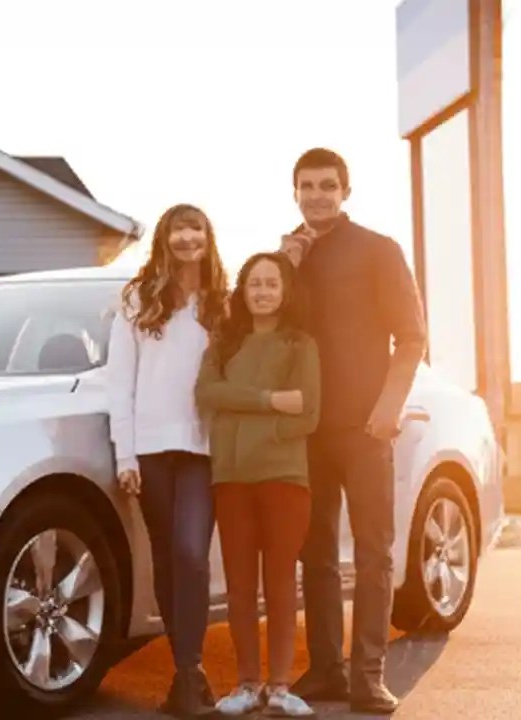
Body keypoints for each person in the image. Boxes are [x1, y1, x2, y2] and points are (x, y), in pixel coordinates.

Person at [280, 148, 427, 715]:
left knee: (373, 553)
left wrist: (389, 407)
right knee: (313, 555)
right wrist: (288, 264)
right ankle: (325, 669)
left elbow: (411, 337)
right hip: (306, 431)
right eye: (306, 186)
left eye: (327, 185)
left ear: (345, 191)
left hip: (366, 428)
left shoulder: (377, 250)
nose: (317, 195)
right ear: (293, 191)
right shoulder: (286, 256)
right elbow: (262, 328)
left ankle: (368, 675)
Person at [107, 203, 229, 718]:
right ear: (164, 237)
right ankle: (188, 674)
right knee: (165, 555)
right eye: (178, 229)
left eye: (194, 228)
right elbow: (120, 381)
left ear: (208, 237)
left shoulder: (223, 302)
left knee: (190, 553)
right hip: (152, 449)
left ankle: (190, 667)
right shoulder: (137, 299)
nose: (186, 238)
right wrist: (125, 453)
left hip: (205, 448)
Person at [196, 252, 320, 717]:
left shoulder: (300, 344)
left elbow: (308, 412)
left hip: (286, 478)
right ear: (242, 291)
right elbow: (208, 393)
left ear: (285, 291)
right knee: (241, 584)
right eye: (254, 284)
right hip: (231, 477)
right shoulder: (225, 344)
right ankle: (247, 684)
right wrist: (270, 401)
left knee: (282, 581)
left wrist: (247, 417)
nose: (263, 291)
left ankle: (281, 685)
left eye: (271, 283)